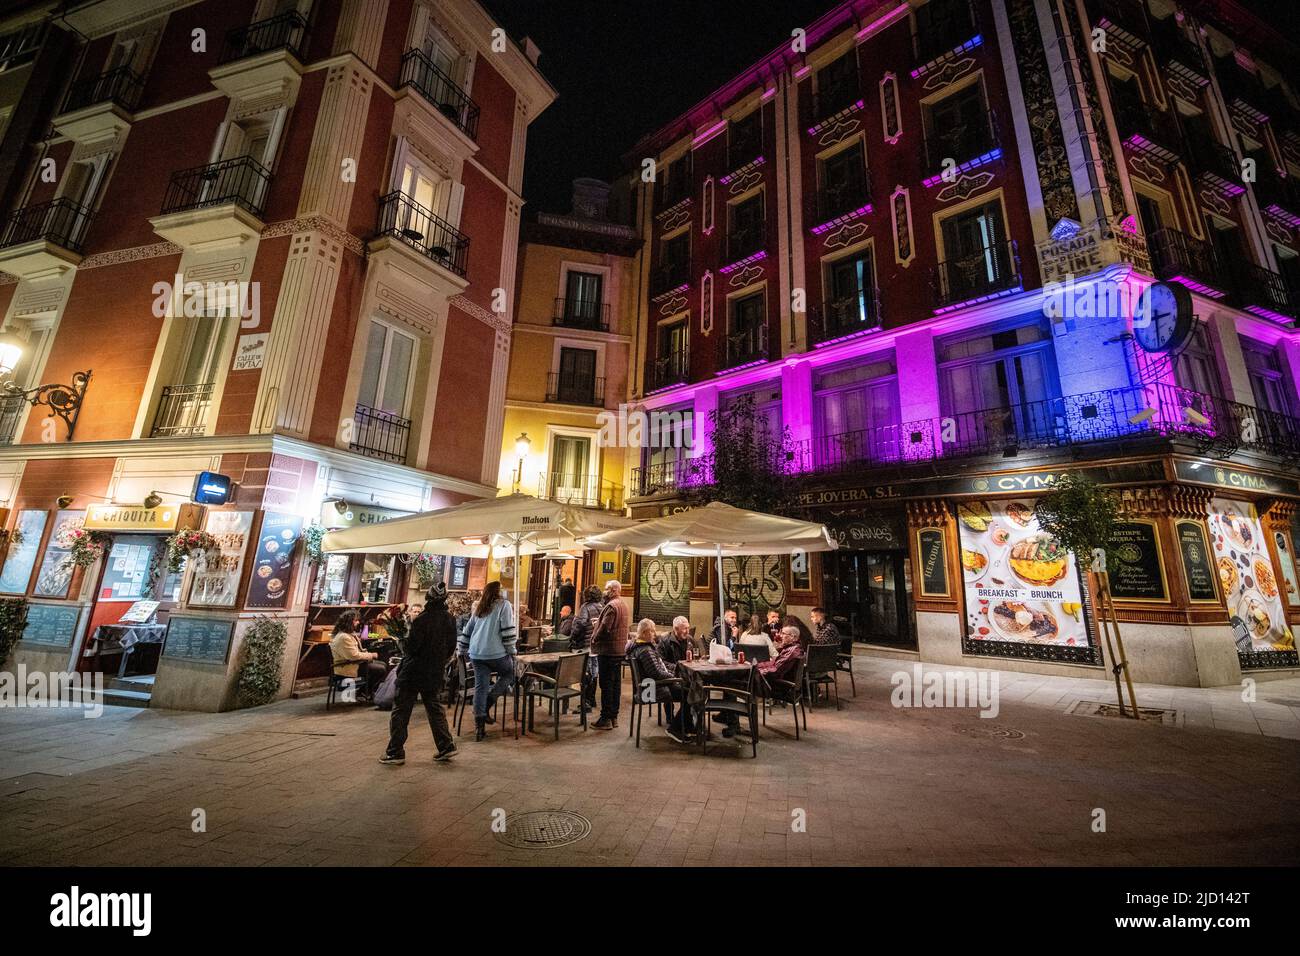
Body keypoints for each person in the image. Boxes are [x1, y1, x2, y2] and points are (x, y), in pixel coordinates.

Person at [381, 583, 457, 765]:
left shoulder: (421, 620)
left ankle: (395, 751)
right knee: (434, 709)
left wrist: (400, 638)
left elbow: (411, 648)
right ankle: (446, 745)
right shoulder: (450, 619)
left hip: (413, 672)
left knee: (401, 710)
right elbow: (451, 647)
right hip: (434, 671)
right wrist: (439, 661)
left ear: (428, 599)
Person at [458, 581, 518, 741]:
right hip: (496, 652)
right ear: (499, 592)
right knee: (509, 674)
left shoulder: (480, 607)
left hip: (476, 653)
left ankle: (480, 728)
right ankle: (489, 702)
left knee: (480, 686)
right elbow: (507, 630)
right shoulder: (504, 605)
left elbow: (467, 630)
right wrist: (512, 651)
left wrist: (462, 649)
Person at [627, 618, 695, 743]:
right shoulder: (646, 650)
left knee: (687, 691)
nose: (655, 634)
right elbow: (656, 673)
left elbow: (656, 670)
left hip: (650, 686)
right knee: (689, 693)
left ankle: (687, 726)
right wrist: (674, 678)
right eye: (652, 631)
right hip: (650, 690)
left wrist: (671, 675)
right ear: (646, 632)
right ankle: (675, 729)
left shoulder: (640, 647)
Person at [588, 580, 630, 729]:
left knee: (606, 684)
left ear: (612, 590)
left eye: (606, 589)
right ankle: (614, 717)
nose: (604, 592)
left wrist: (594, 635)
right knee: (615, 685)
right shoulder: (623, 604)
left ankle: (606, 718)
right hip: (619, 651)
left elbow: (606, 627)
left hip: (608, 651)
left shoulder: (611, 606)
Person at [330, 611, 385, 700]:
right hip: (347, 667)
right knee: (379, 669)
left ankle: (367, 692)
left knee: (382, 664)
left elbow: (358, 650)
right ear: (349, 622)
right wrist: (371, 655)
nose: (358, 622)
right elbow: (354, 656)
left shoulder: (348, 634)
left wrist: (367, 653)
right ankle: (363, 692)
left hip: (352, 663)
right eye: (356, 620)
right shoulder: (344, 637)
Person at [569, 585, 603, 711]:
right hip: (596, 647)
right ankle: (592, 699)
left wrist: (572, 637)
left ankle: (586, 703)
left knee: (586, 674)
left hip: (585, 646)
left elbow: (580, 624)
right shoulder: (602, 607)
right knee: (594, 674)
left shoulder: (585, 607)